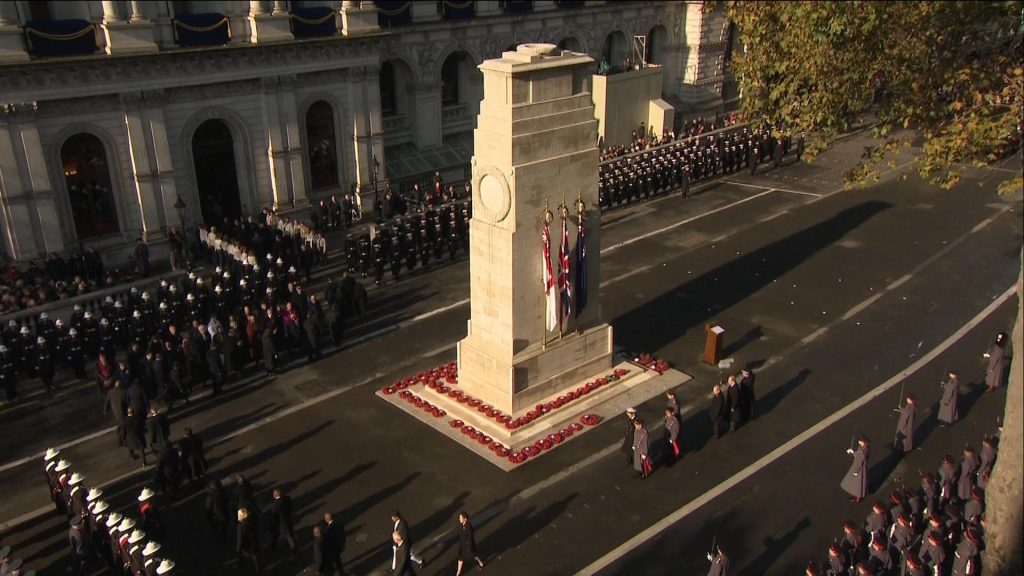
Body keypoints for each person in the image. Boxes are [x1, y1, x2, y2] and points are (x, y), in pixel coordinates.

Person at [264, 487, 296, 557]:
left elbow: (273, 515)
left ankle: (273, 548)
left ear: (275, 495)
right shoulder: (287, 499)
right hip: (287, 520)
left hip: (280, 523)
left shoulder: (274, 504)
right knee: (289, 535)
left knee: (275, 536)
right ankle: (293, 549)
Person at [841, 437, 869, 503]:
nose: (859, 441)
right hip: (861, 468)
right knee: (859, 483)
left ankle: (858, 498)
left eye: (860, 441)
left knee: (858, 484)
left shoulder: (862, 451)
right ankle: (858, 496)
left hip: (859, 469)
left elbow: (858, 461)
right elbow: (858, 455)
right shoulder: (864, 448)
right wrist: (853, 452)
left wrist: (856, 471)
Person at [236, 507, 259, 575]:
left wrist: (238, 549)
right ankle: (257, 570)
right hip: (253, 543)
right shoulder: (252, 522)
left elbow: (240, 539)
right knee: (255, 557)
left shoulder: (240, 526)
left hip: (246, 545)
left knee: (245, 557)